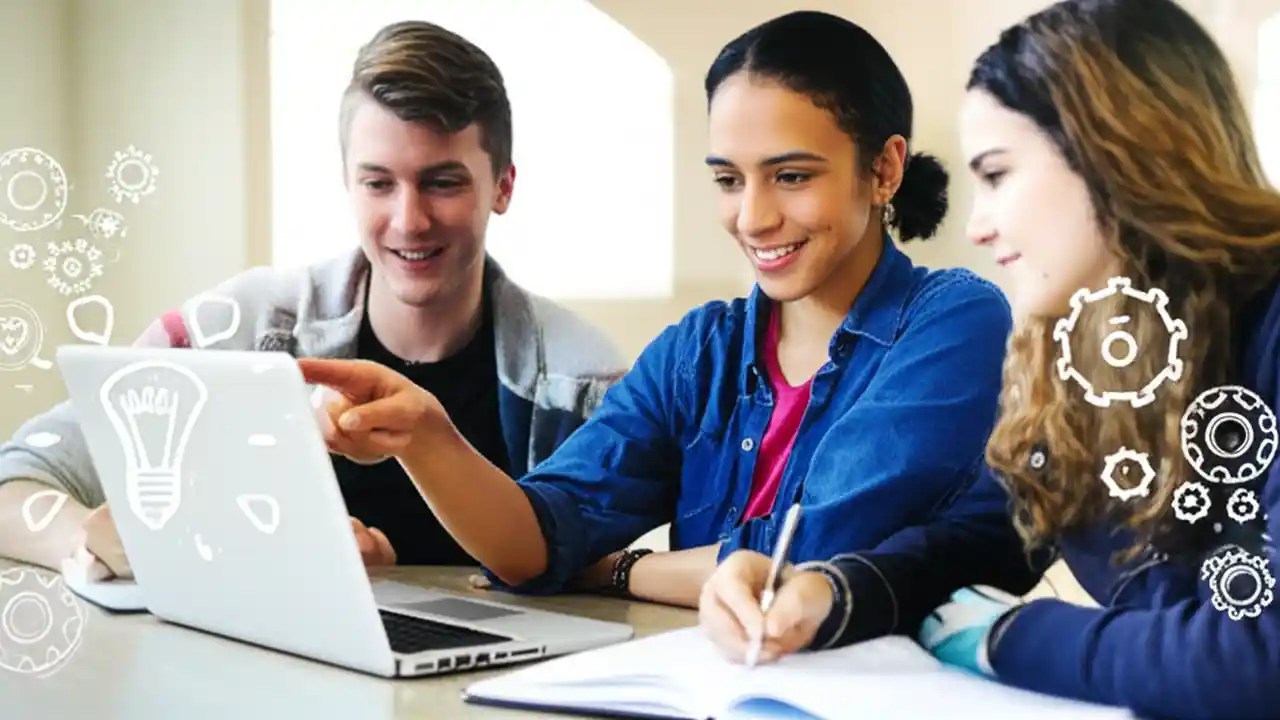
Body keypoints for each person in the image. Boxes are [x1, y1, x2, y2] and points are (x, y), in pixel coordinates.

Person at [298, 10, 1012, 609]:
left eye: (791, 176)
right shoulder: (698, 353)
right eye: (729, 179)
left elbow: (810, 555)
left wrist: (618, 570)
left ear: (883, 168)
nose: (754, 217)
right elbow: (539, 541)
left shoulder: (954, 320)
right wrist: (428, 435)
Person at [700, 1, 1280, 716]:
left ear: (1118, 154)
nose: (975, 226)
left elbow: (1262, 656)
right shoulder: (1090, 346)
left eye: (997, 174)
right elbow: (983, 536)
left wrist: (1010, 635)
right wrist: (828, 592)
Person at [0, 20, 624, 578]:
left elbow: (621, 564)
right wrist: (85, 545)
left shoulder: (585, 380)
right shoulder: (235, 330)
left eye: (442, 183)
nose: (409, 220)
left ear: (503, 187)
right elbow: (16, 476)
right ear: (347, 183)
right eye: (378, 183)